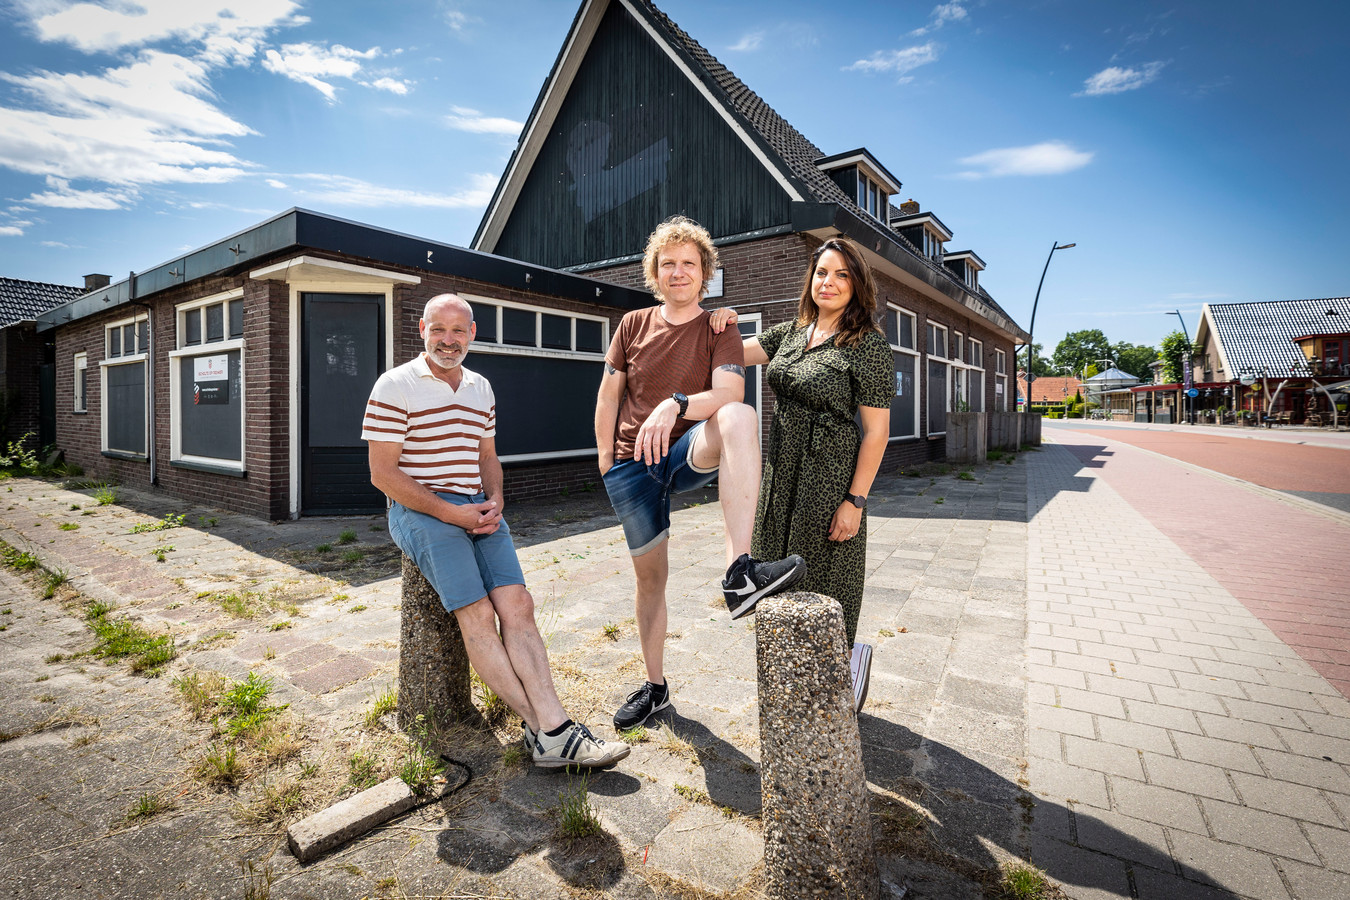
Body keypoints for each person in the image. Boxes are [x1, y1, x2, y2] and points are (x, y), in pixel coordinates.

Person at [363, 293, 629, 769]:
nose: (448, 340)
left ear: (472, 333)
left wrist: (496, 497)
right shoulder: (394, 385)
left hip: (478, 507)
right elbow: (382, 474)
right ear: (422, 330)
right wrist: (452, 514)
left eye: (458, 330)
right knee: (479, 614)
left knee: (518, 605)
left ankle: (547, 733)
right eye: (438, 329)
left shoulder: (480, 387)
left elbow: (487, 456)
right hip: (420, 510)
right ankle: (552, 729)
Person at [596, 216, 806, 731]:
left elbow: (730, 392)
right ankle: (655, 688)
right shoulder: (632, 325)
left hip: (686, 449)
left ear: (705, 272)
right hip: (631, 464)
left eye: (689, 263)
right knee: (651, 580)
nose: (678, 272)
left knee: (739, 415)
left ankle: (740, 572)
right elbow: (608, 395)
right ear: (654, 273)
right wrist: (605, 460)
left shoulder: (721, 327)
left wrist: (676, 403)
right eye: (668, 264)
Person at [712, 237, 893, 712]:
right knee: (776, 581)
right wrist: (723, 320)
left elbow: (876, 434)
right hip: (780, 475)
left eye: (841, 275)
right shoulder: (791, 333)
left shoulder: (867, 345)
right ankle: (789, 694)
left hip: (830, 481)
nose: (828, 282)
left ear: (857, 285)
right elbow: (730, 353)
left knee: (824, 586)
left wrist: (854, 502)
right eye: (821, 272)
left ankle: (841, 679)